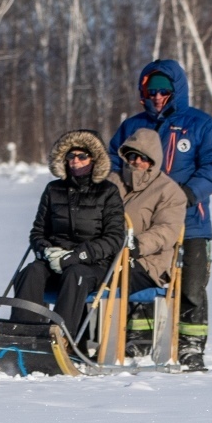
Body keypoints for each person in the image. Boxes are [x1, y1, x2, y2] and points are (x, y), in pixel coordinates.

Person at [110, 59, 212, 371]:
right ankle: (140, 340)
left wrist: (186, 195)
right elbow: (110, 163)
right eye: (151, 91)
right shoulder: (132, 127)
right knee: (140, 278)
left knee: (190, 287)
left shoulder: (201, 124)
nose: (157, 97)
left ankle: (191, 348)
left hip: (191, 223)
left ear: (176, 91)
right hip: (142, 224)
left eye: (163, 91)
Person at [21, 130, 126, 342]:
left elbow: (115, 238)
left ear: (94, 159)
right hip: (55, 259)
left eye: (81, 156)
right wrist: (46, 251)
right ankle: (22, 333)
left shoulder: (108, 191)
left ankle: (61, 338)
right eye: (70, 156)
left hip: (93, 265)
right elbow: (38, 231)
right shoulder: (53, 189)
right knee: (31, 271)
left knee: (75, 274)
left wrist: (78, 255)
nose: (75, 161)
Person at [115, 127, 186, 359]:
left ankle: (108, 346)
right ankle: (69, 340)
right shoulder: (111, 182)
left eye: (143, 158)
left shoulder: (169, 191)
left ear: (153, 161)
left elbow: (167, 230)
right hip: (108, 256)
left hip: (147, 263)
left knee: (107, 277)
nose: (136, 162)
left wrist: (136, 245)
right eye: (131, 156)